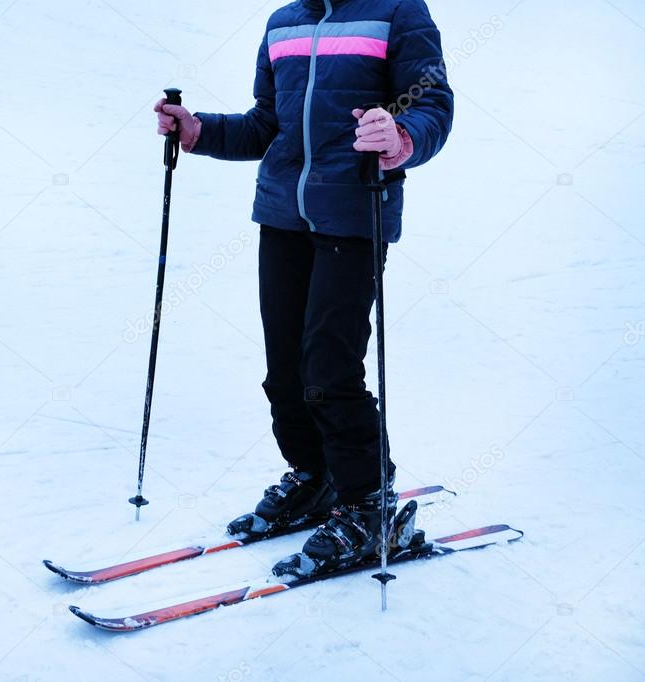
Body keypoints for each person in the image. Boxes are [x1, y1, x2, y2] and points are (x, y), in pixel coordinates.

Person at [155, 0, 453, 576]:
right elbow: (268, 124)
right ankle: (316, 478)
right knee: (285, 367)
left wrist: (401, 137)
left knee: (330, 370)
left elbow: (432, 105)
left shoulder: (398, 12)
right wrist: (199, 131)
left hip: (354, 211)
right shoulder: (283, 22)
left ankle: (369, 506)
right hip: (282, 218)